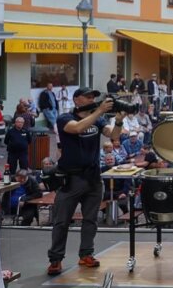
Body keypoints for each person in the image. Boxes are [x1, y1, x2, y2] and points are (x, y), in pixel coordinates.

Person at [46, 89, 120, 276]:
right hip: (71, 178)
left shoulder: (97, 119)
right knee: (61, 221)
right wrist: (100, 111)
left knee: (90, 220)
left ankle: (86, 254)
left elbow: (113, 134)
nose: (92, 99)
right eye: (88, 97)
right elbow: (77, 128)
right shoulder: (64, 118)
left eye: (93, 97)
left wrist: (119, 120)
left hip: (93, 177)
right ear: (77, 100)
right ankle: (56, 259)